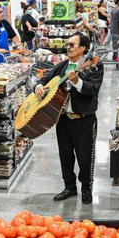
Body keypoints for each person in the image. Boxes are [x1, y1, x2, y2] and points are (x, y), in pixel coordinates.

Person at [33, 32, 104, 204]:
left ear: (83, 48)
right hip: (63, 119)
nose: (68, 47)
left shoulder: (94, 65)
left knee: (85, 157)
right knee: (65, 156)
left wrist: (77, 81)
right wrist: (38, 86)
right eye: (67, 44)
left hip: (83, 119)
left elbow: (92, 90)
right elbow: (45, 78)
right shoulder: (63, 65)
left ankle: (86, 188)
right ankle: (69, 187)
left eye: (72, 44)